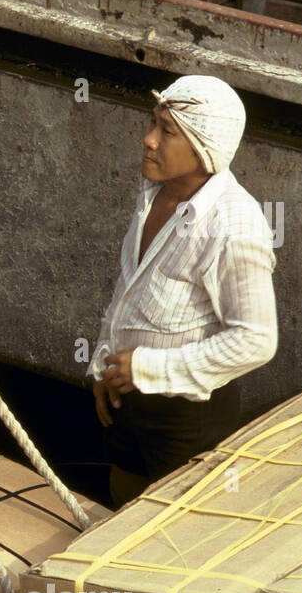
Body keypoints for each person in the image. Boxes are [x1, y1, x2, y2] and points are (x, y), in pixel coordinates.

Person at [88, 75, 277, 509]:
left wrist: (150, 366)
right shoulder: (154, 193)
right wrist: (106, 362)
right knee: (120, 499)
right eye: (153, 123)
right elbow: (129, 288)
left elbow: (256, 340)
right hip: (129, 391)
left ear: (204, 149)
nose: (148, 140)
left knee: (164, 529)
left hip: (187, 415)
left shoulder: (235, 227)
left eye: (166, 132)